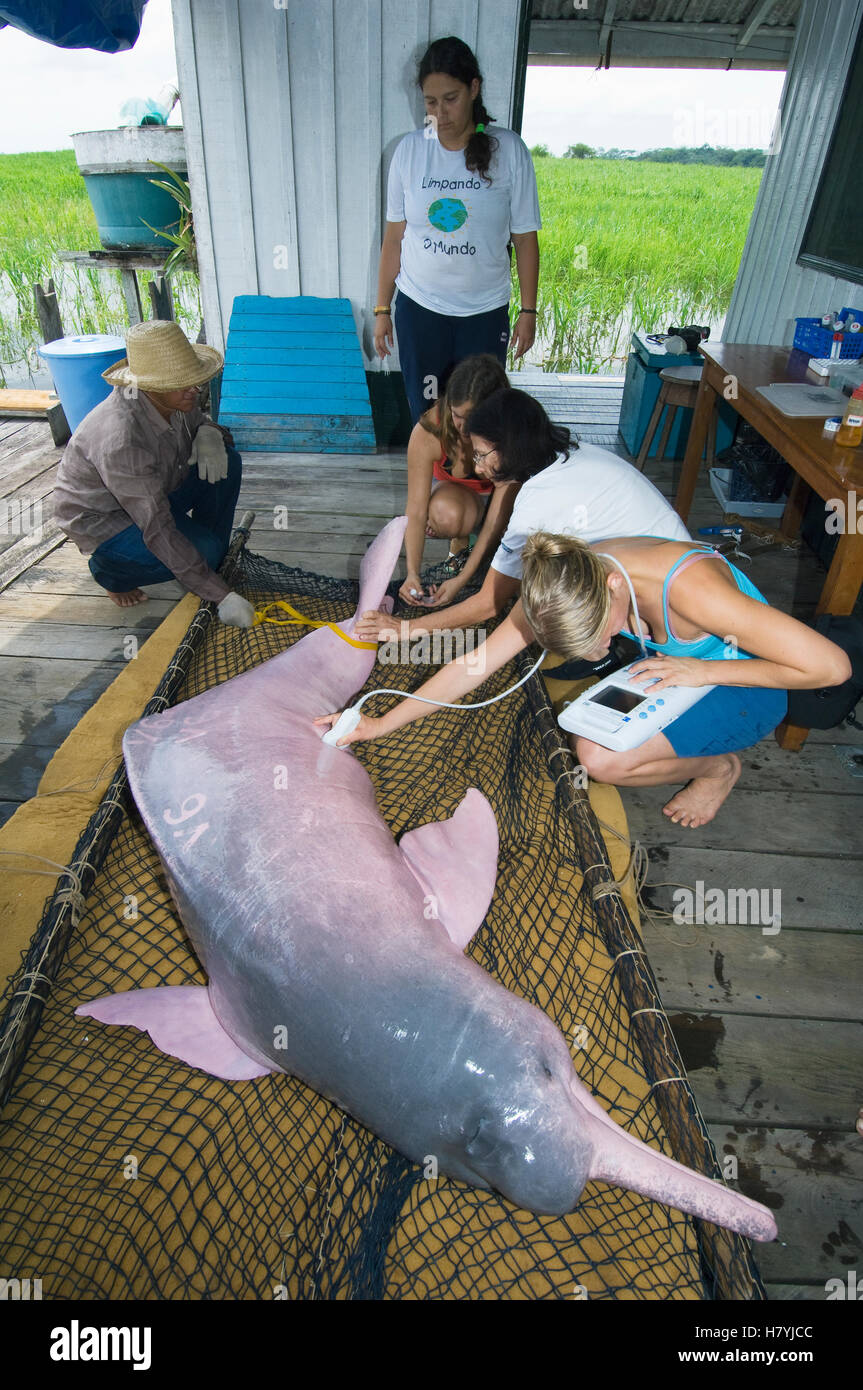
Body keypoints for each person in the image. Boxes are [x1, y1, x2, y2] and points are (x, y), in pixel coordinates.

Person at [316, 532, 850, 828]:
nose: (599, 653)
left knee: (605, 761)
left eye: (601, 637)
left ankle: (720, 768)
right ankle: (702, 748)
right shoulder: (561, 581)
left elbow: (830, 668)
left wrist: (701, 668)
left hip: (748, 681)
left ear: (616, 586)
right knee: (592, 750)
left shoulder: (695, 594)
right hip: (676, 673)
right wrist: (381, 723)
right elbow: (473, 664)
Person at [356, 386, 691, 643]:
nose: (477, 467)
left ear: (510, 444)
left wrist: (406, 628)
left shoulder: (539, 499)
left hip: (670, 603)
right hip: (672, 567)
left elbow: (488, 603)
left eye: (482, 455)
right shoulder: (567, 454)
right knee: (532, 576)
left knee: (540, 599)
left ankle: (612, 642)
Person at [374, 36, 541, 424]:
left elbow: (525, 238)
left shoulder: (509, 151)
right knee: (429, 417)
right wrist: (383, 308)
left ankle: (474, 485)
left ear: (474, 89)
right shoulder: (409, 152)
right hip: (420, 311)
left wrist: (528, 310)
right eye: (430, 102)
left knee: (481, 418)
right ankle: (432, 485)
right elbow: (394, 240)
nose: (440, 112)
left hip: (484, 314)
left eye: (450, 98)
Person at [52, 320, 255, 627]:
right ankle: (110, 572)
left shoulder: (177, 397)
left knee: (227, 461)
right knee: (203, 549)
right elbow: (156, 525)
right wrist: (221, 595)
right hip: (107, 520)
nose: (195, 389)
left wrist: (210, 432)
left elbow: (201, 425)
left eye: (195, 379)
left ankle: (207, 559)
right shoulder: (121, 437)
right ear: (149, 384)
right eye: (182, 382)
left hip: (156, 487)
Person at [400, 354, 519, 605]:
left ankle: (475, 556)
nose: (463, 428)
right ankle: (461, 540)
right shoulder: (427, 431)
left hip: (503, 502)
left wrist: (463, 578)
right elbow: (416, 510)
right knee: (446, 515)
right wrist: (412, 573)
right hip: (457, 497)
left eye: (472, 418)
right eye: (457, 415)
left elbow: (495, 521)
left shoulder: (512, 432)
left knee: (514, 535)